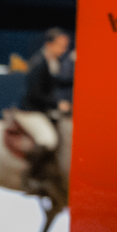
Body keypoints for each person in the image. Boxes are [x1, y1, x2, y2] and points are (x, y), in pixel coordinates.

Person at [14, 29, 72, 184]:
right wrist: (57, 104)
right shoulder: (39, 63)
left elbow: (57, 81)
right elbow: (34, 93)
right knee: (48, 140)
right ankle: (31, 175)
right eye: (61, 46)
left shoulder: (51, 61)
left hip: (42, 109)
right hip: (31, 111)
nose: (64, 50)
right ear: (49, 44)